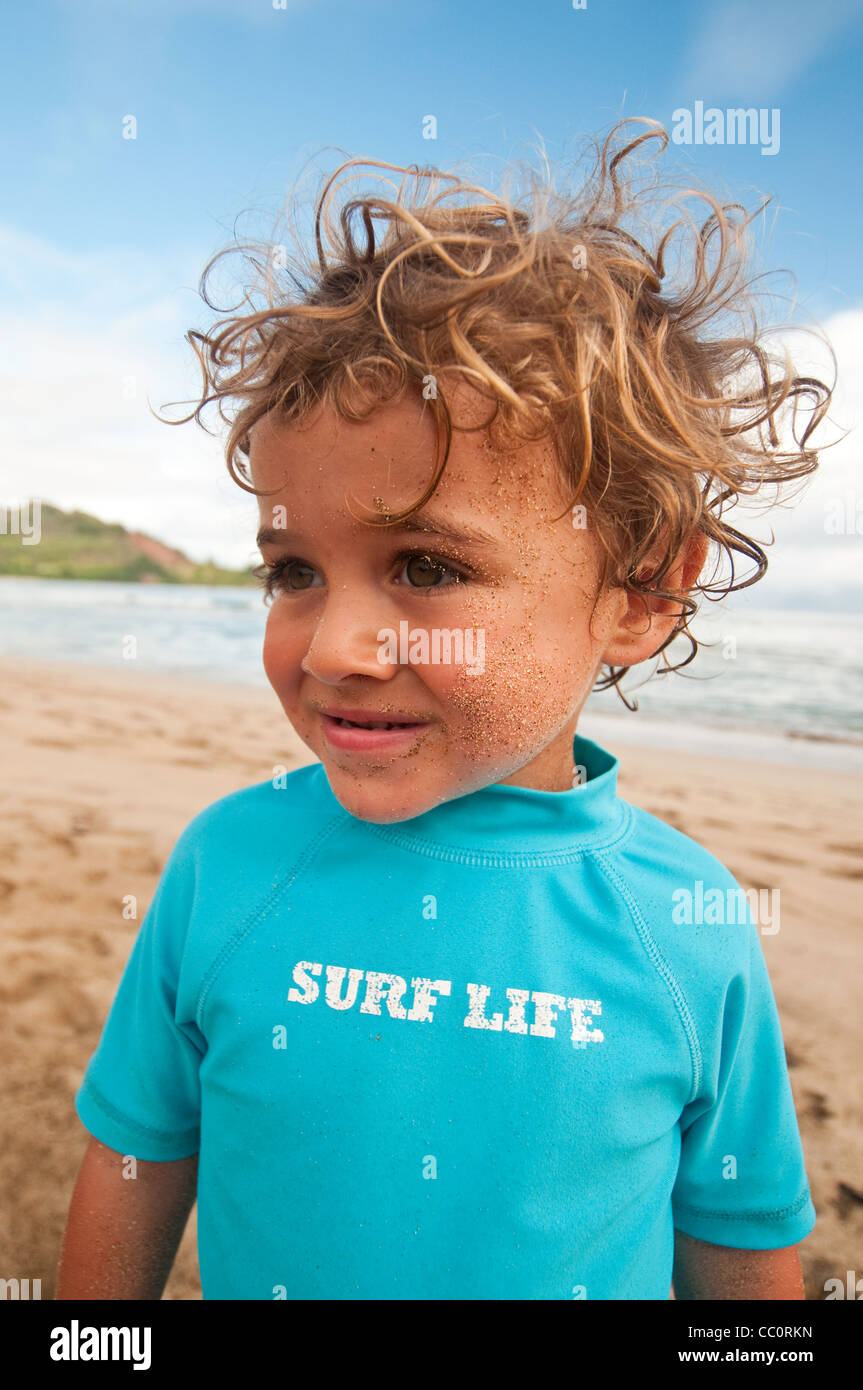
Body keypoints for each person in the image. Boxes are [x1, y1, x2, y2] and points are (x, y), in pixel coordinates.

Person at [56, 119, 832, 1300]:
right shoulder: (227, 861)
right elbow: (137, 1153)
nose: (332, 648)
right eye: (292, 571)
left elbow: (736, 1240)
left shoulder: (684, 921)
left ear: (637, 595)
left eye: (423, 567)